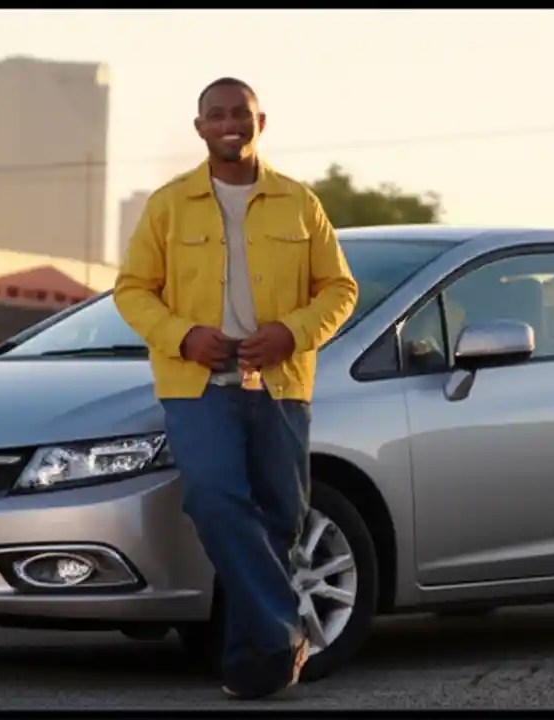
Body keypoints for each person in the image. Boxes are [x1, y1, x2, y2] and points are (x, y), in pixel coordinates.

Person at [113, 77, 359, 699]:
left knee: (280, 517)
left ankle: (257, 668)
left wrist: (292, 332)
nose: (230, 123)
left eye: (240, 114)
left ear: (260, 122)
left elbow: (340, 290)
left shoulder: (299, 203)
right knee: (215, 498)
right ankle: (286, 624)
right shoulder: (170, 205)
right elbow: (133, 290)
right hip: (197, 384)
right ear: (199, 127)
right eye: (217, 115)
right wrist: (181, 335)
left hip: (279, 383)